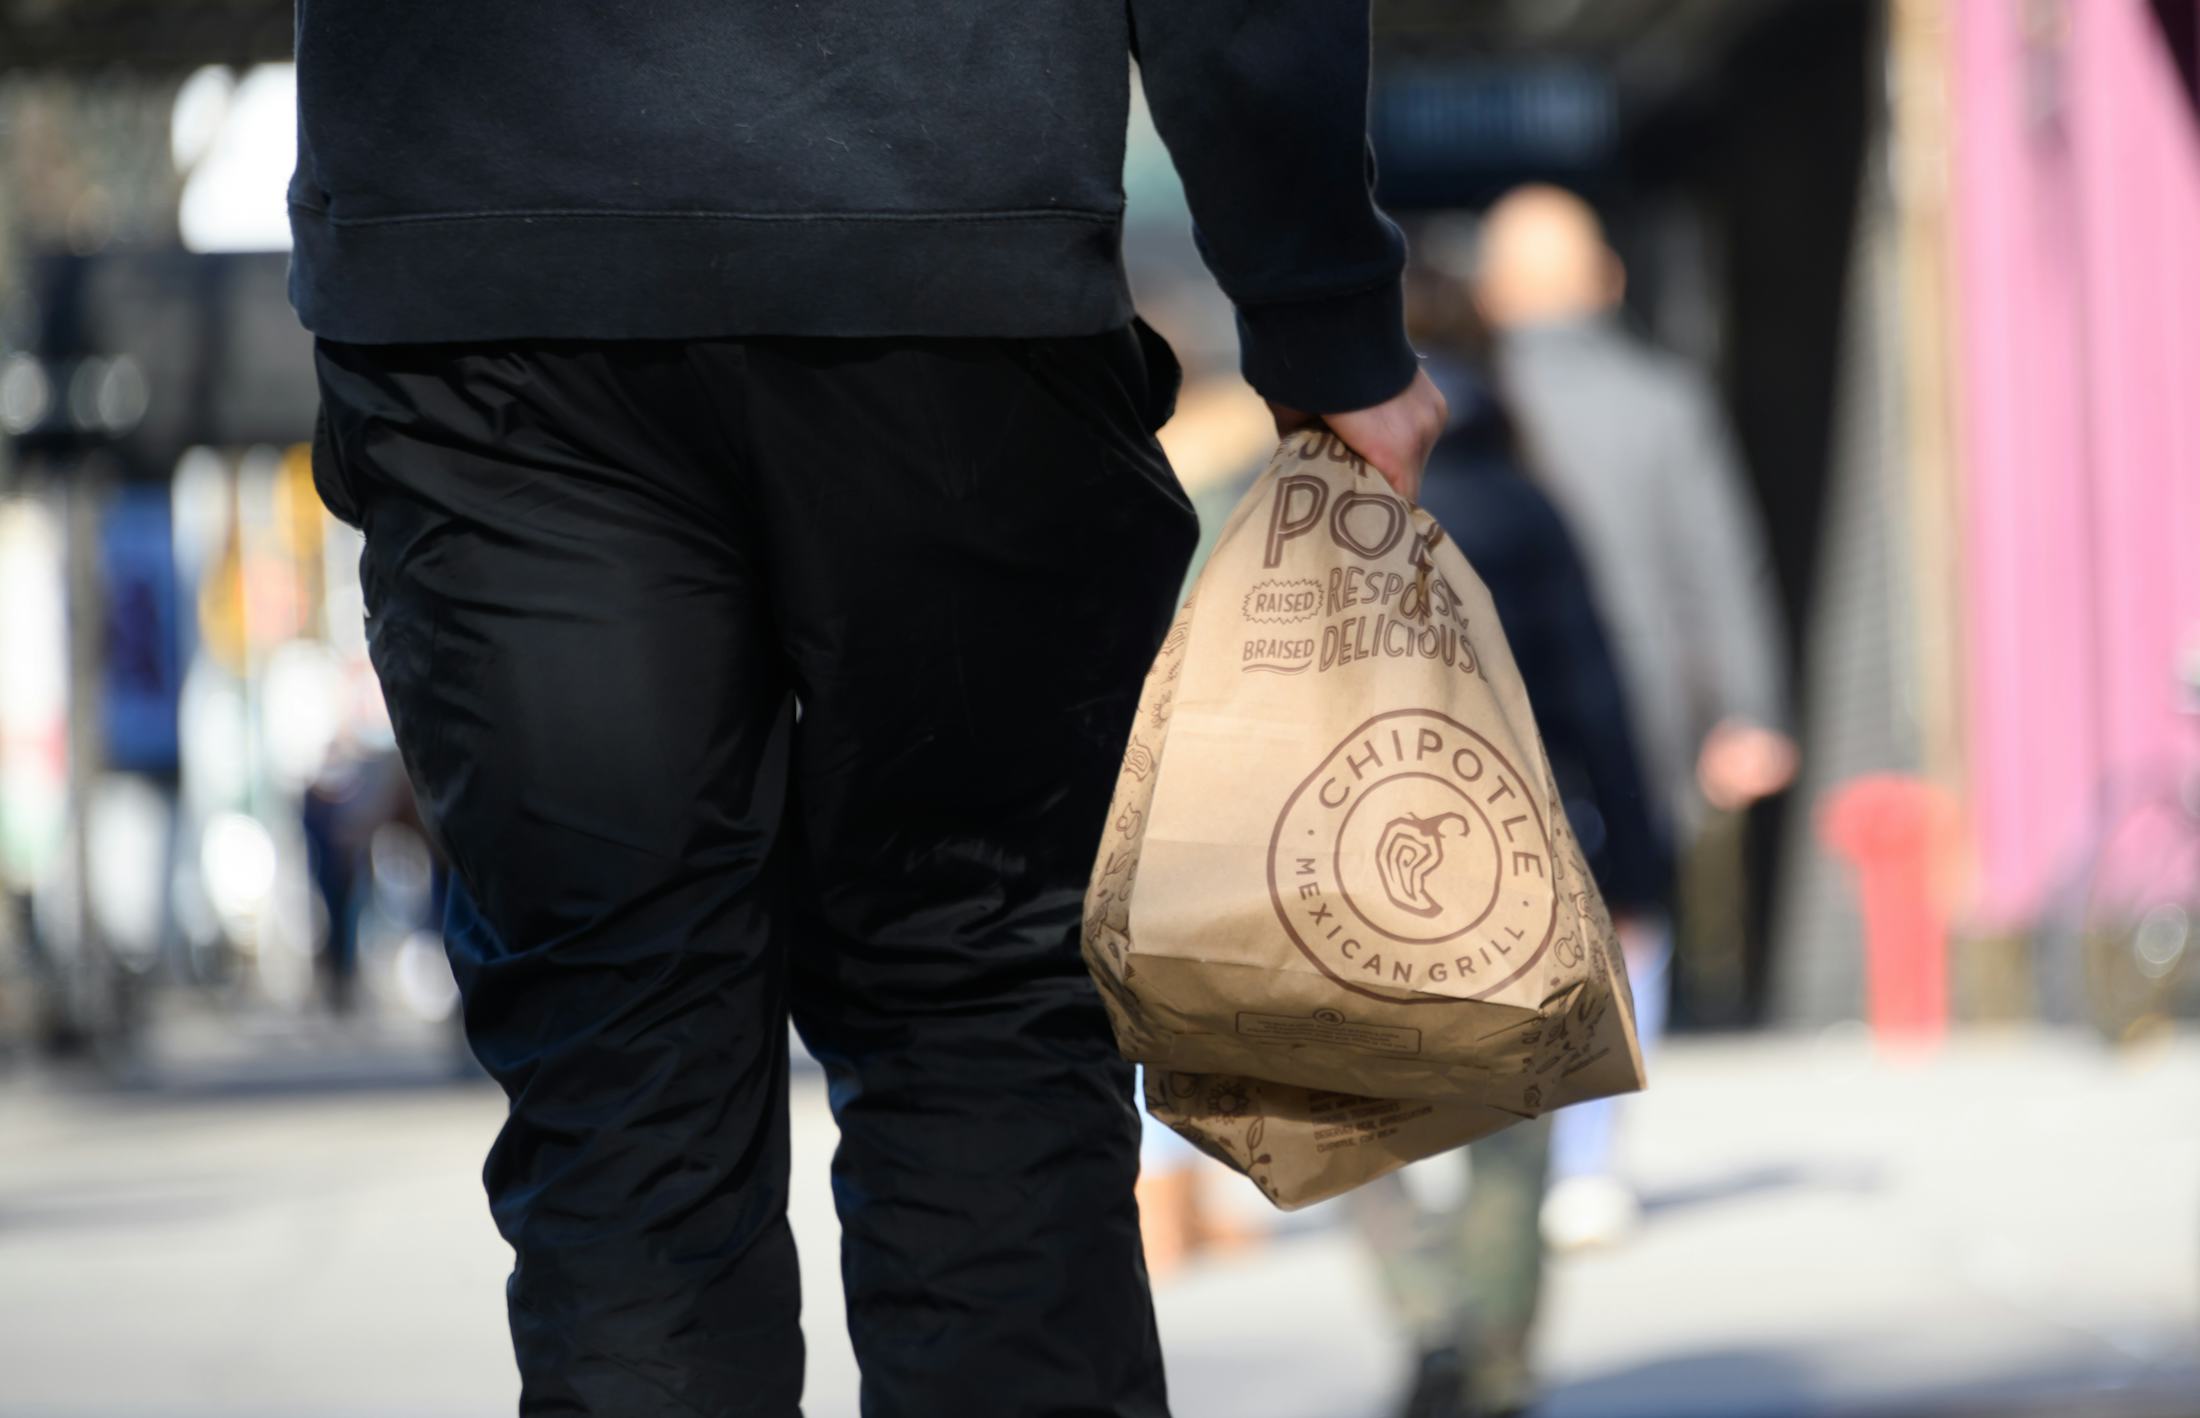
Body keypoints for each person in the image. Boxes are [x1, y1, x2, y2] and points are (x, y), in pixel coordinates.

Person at [288, 5, 1445, 1414]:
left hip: (486, 270)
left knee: (622, 1054)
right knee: (981, 1007)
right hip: (942, 233)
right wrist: (1326, 312)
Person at [1351, 269, 1670, 1418]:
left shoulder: (1296, 498)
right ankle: (1495, 1351)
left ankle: (1428, 1309)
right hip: (1508, 847)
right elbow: (1592, 688)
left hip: (1343, 849)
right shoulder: (1522, 502)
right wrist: (1632, 858)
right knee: (1511, 1114)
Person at [1474, 184, 1797, 1250]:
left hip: (1489, 694)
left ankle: (1506, 1147)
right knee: (1626, 918)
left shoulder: (1458, 406)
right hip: (1639, 696)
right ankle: (1587, 1162)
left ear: (1490, 290)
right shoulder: (1662, 400)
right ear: (1605, 281)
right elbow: (1720, 560)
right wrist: (1745, 708)